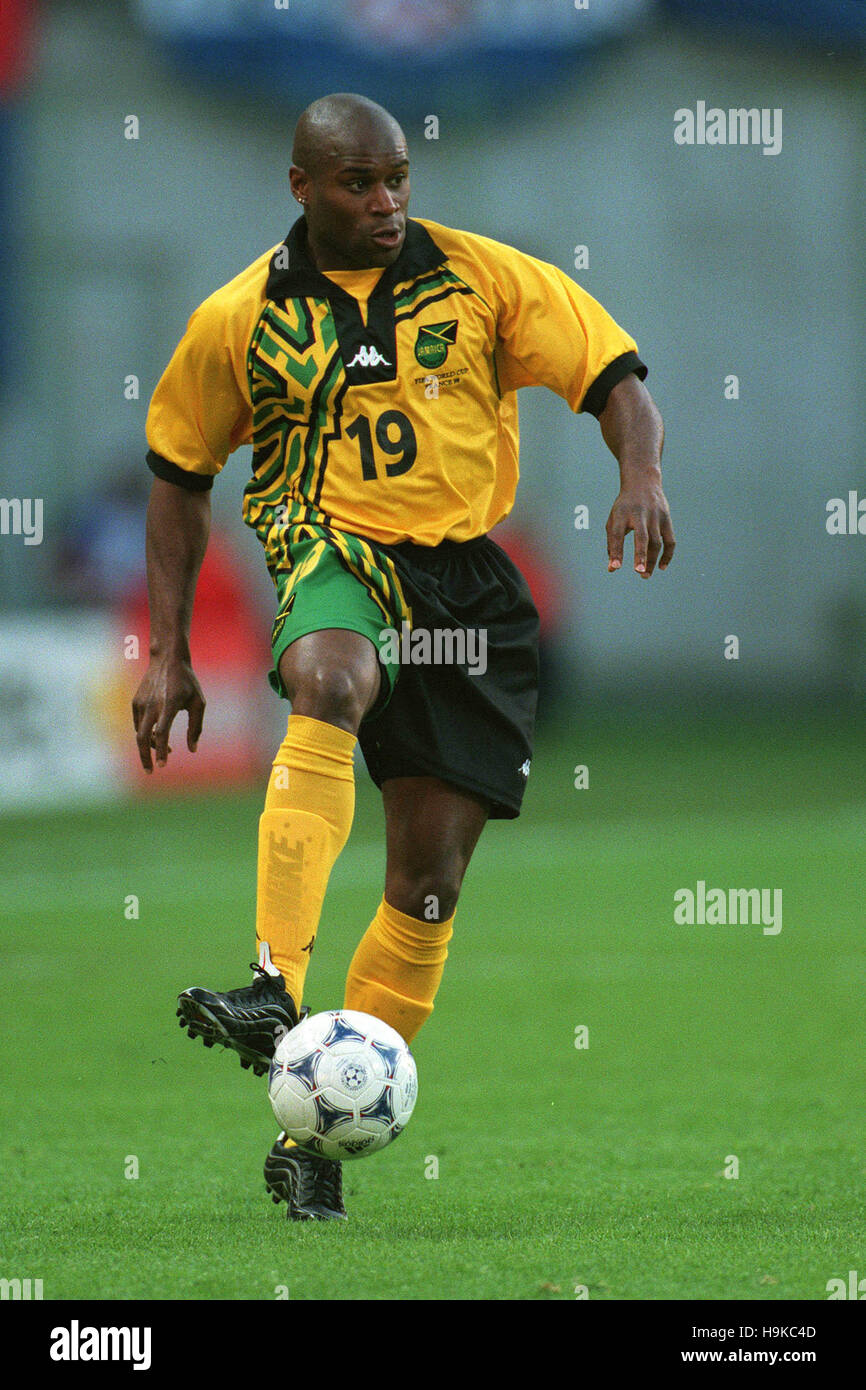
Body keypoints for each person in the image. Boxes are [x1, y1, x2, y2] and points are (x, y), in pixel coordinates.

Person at [132, 92, 675, 1222]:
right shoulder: (239, 318)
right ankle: (271, 985)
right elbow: (180, 477)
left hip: (467, 586)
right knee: (328, 679)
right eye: (355, 184)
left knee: (425, 888)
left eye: (396, 182)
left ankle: (313, 1138)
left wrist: (640, 475)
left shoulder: (480, 278)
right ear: (301, 188)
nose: (383, 203)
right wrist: (169, 650)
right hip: (330, 545)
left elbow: (614, 379)